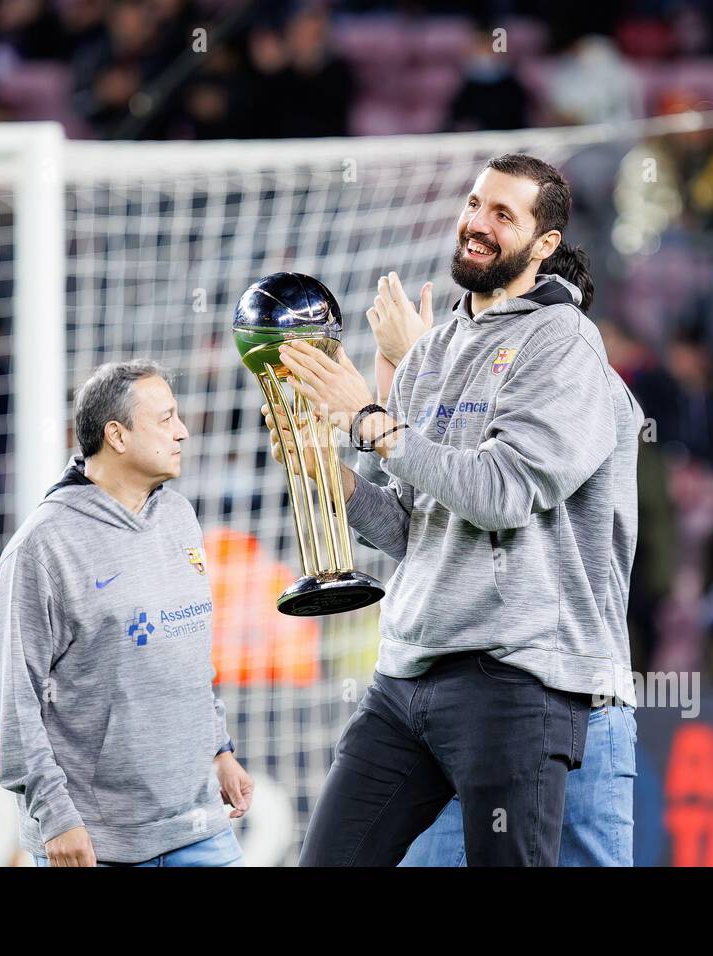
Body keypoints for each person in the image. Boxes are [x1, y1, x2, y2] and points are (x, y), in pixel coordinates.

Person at [269, 154, 642, 866]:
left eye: (504, 214)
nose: (477, 223)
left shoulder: (565, 346)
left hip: (516, 679)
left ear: (545, 246)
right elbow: (409, 528)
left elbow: (502, 494)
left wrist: (370, 420)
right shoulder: (431, 353)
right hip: (406, 675)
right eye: (475, 204)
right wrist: (326, 471)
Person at [361, 249, 637, 866]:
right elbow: (404, 534)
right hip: (460, 694)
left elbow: (497, 495)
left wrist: (411, 373)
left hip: (575, 692)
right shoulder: (444, 373)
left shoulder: (585, 382)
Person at [0, 359, 253, 867]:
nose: (183, 432)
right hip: (95, 842)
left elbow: (188, 655)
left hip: (199, 826)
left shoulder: (180, 516)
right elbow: (14, 697)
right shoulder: (43, 547)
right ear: (117, 435)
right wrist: (56, 816)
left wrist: (219, 750)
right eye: (166, 418)